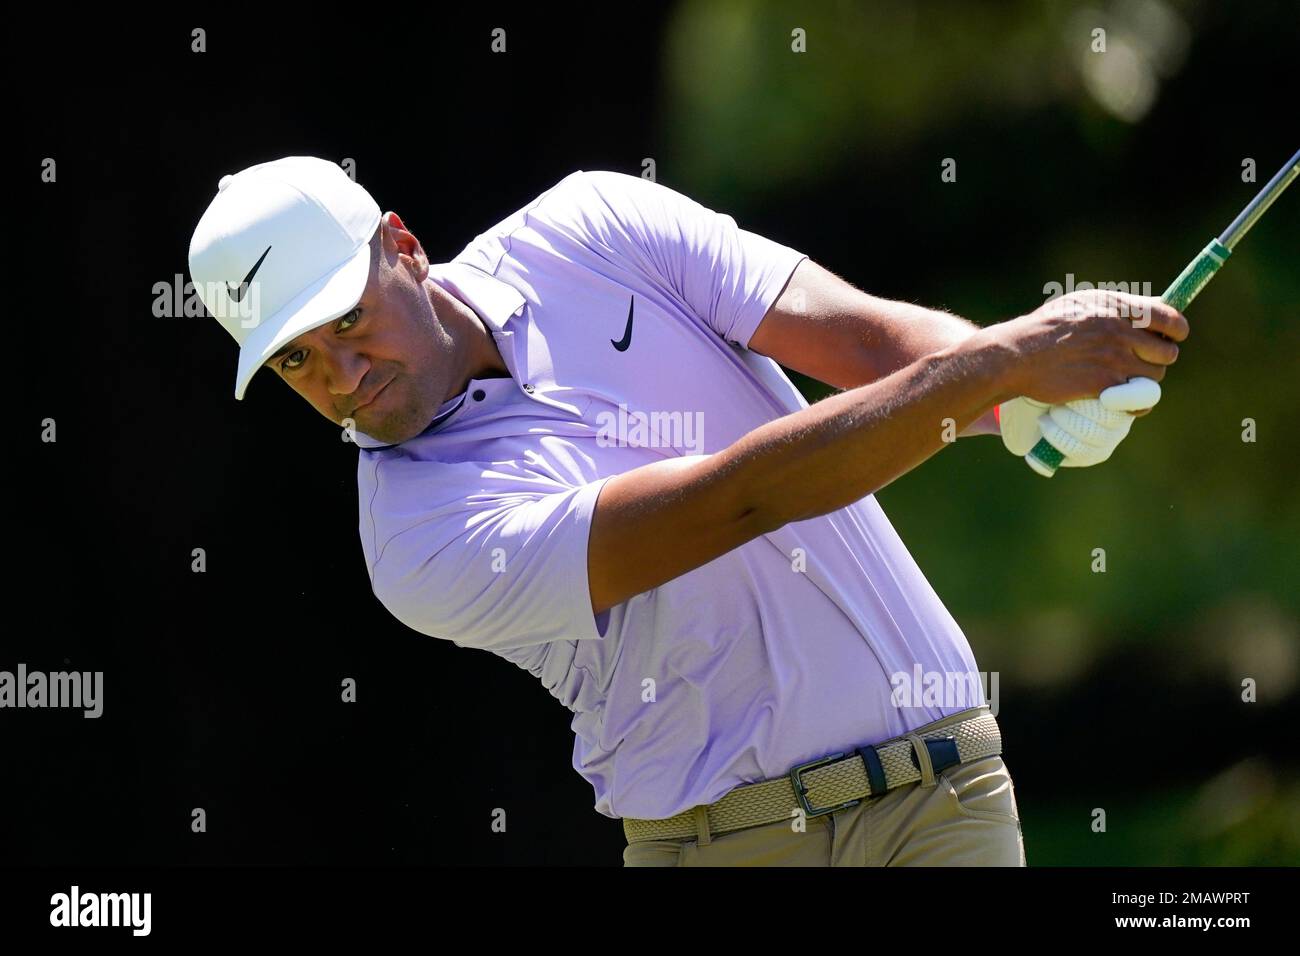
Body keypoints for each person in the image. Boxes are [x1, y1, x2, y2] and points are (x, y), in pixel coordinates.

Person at [188, 156, 1186, 866]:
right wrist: (1002, 361)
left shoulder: (592, 225)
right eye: (296, 360)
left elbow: (876, 344)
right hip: (737, 845)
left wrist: (1013, 396)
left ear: (401, 246)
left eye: (346, 320)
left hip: (951, 798)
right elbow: (740, 497)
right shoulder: (415, 537)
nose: (343, 375)